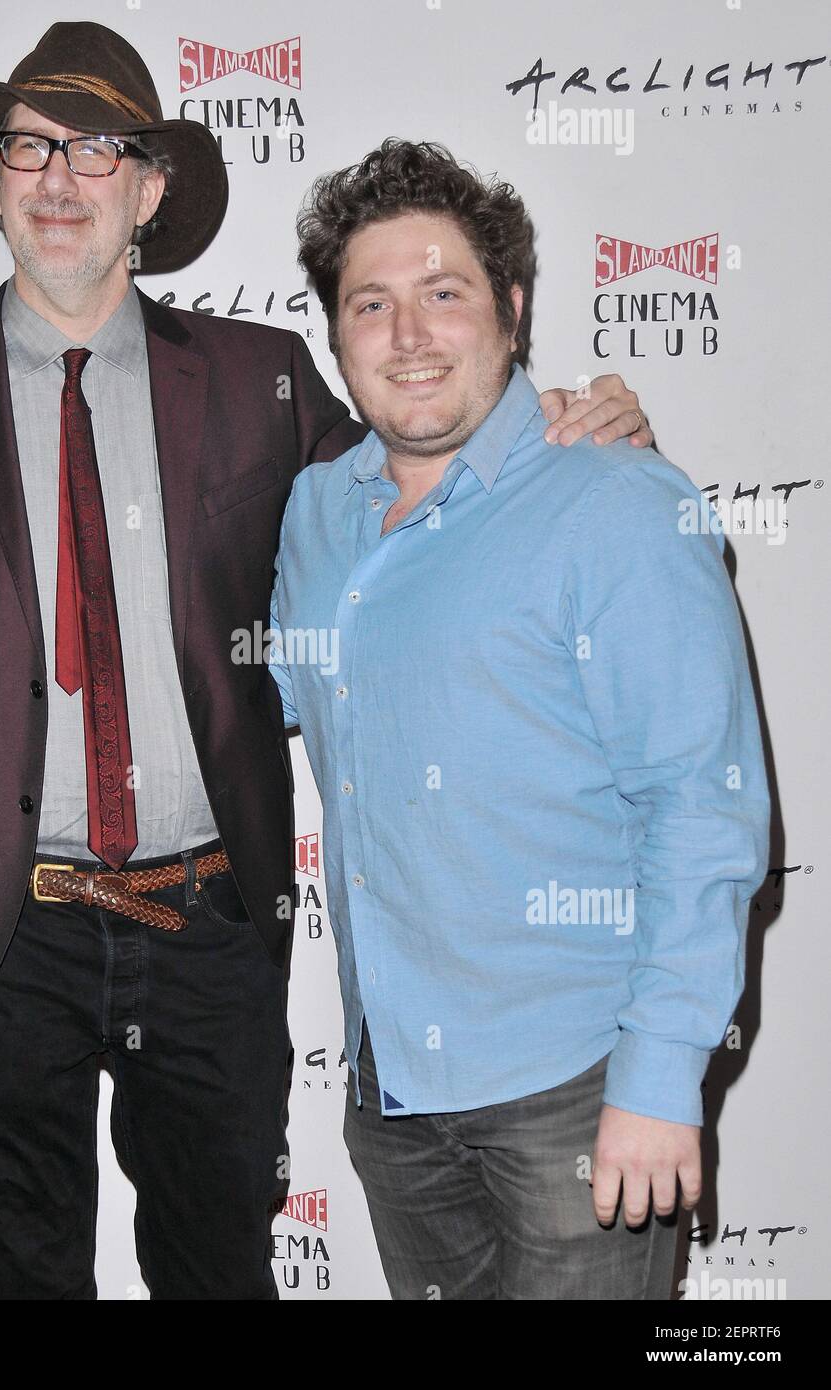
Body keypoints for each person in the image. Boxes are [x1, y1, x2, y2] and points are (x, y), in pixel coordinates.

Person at [0, 23, 653, 1300]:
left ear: (150, 191)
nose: (60, 178)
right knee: (24, 1270)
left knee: (220, 1269)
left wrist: (558, 430)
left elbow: (422, 467)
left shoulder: (259, 377)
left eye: (97, 150)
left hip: (207, 916)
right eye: (28, 147)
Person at [269, 138, 770, 1300]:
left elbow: (701, 806)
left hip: (577, 1095)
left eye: (442, 294)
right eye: (369, 304)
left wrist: (656, 1081)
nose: (407, 336)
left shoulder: (619, 501)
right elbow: (280, 702)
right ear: (335, 335)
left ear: (509, 305)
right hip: (392, 1099)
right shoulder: (316, 511)